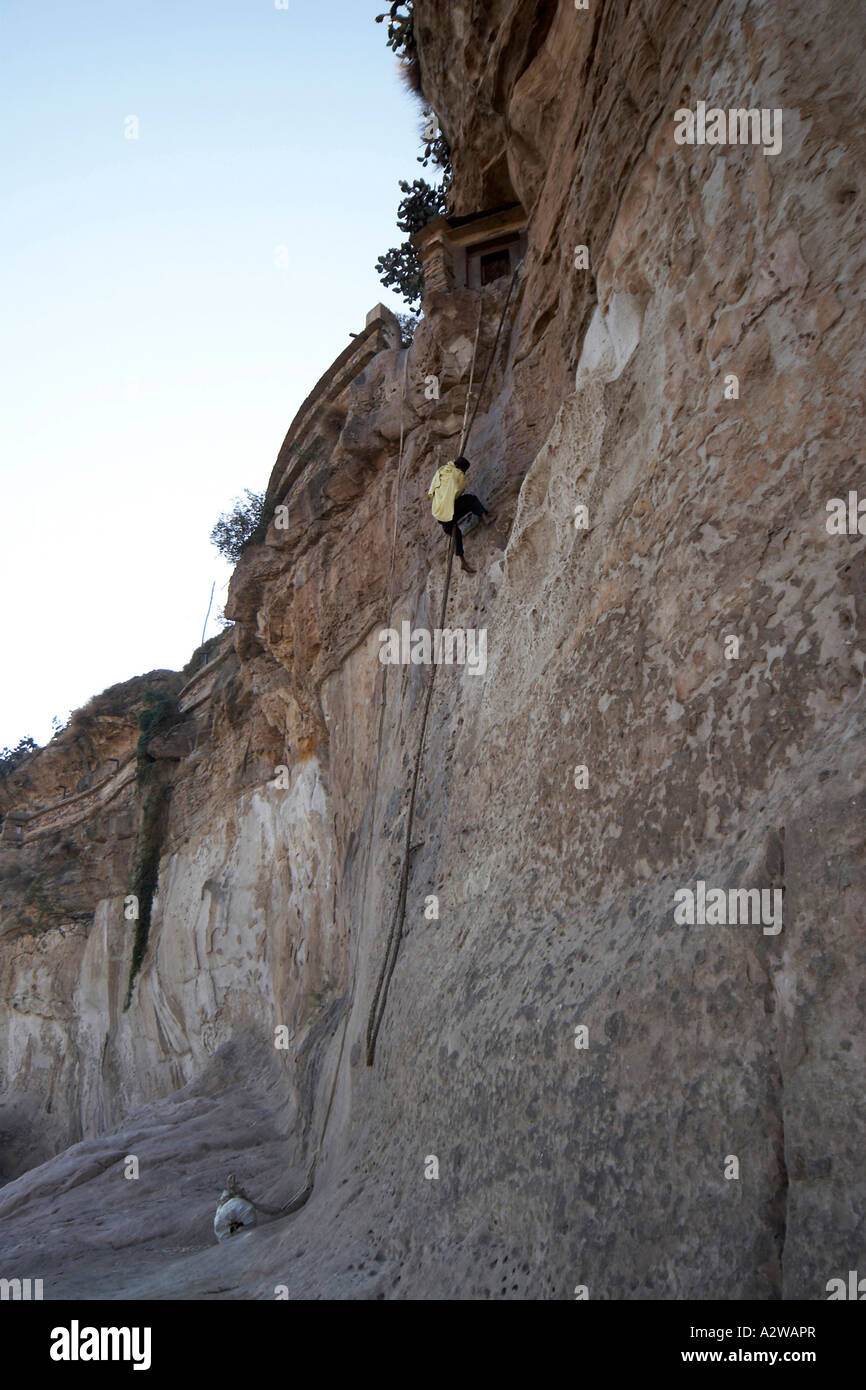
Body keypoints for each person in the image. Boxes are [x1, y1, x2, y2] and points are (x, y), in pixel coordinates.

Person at [427, 455, 494, 574]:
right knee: (471, 499)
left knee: (456, 533)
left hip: (439, 515)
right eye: (464, 470)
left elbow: (432, 491)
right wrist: (459, 477)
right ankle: (485, 518)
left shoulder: (442, 470)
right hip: (449, 513)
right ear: (462, 468)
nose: (464, 473)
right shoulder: (457, 474)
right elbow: (458, 492)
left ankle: (463, 562)